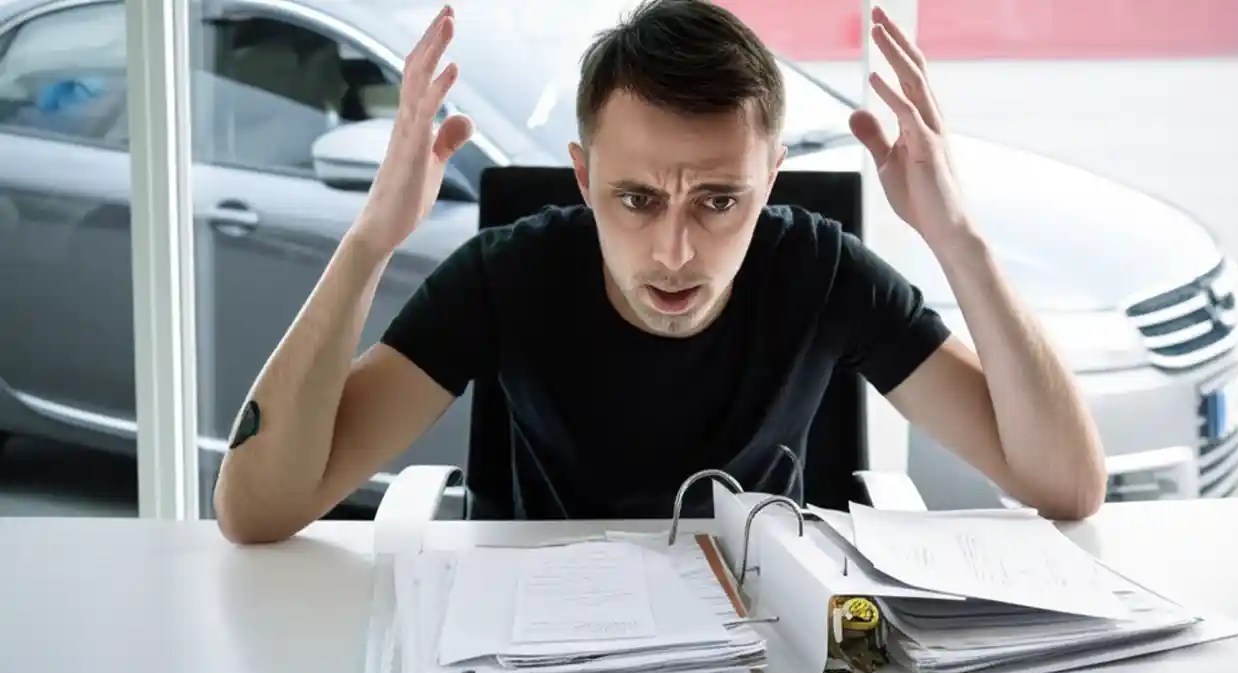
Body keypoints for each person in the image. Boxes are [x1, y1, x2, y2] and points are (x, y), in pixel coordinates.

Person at [213, 1, 1106, 544]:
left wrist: (957, 239)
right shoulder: (506, 275)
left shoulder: (820, 271)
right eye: (637, 199)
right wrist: (370, 240)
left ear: (771, 181)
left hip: (759, 652)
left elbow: (1066, 484)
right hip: (544, 655)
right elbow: (257, 511)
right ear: (582, 176)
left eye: (720, 202)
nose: (675, 253)